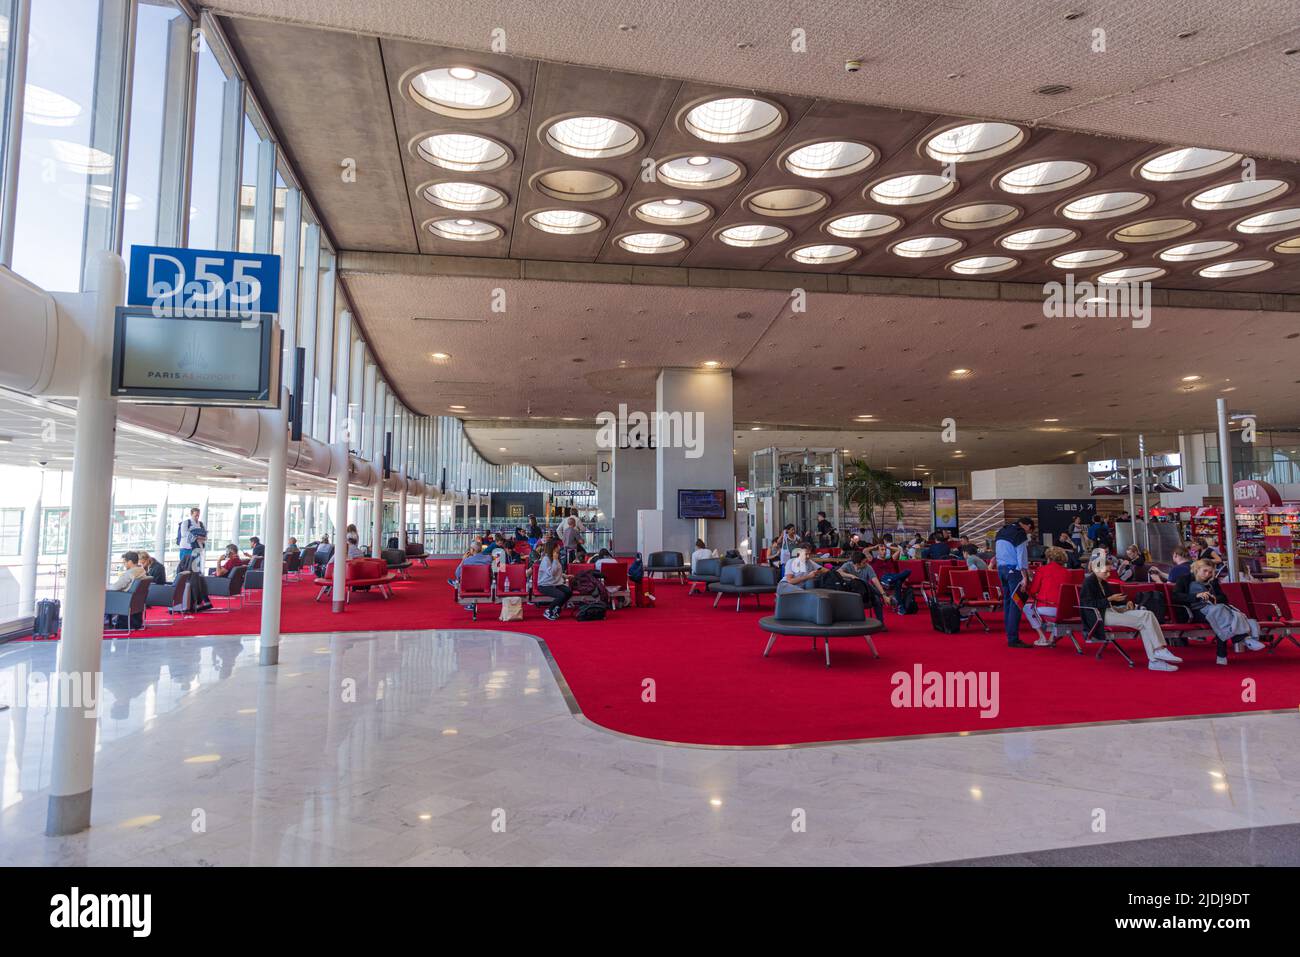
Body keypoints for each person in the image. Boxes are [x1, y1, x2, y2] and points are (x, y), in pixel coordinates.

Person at [1080, 549, 1180, 672]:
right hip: (1100, 615)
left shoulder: (1102, 582)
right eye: (1106, 572)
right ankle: (1158, 653)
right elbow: (1087, 604)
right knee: (1144, 619)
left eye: (1109, 571)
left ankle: (1157, 657)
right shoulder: (1089, 582)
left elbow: (1114, 600)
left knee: (1148, 614)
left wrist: (1125, 602)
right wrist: (1109, 599)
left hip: (1109, 611)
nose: (1108, 574)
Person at [1176, 560, 1265, 665]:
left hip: (1214, 610)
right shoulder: (1184, 579)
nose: (1207, 574)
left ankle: (1223, 654)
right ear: (1197, 569)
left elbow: (1223, 598)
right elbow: (1176, 596)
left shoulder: (1212, 581)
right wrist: (1196, 596)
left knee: (1221, 615)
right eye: (1205, 571)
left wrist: (1213, 597)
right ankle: (1242, 639)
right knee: (1221, 614)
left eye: (1210, 572)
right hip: (1194, 612)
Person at [994, 516, 1036, 648]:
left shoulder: (1002, 531)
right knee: (1017, 604)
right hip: (1014, 572)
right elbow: (1021, 556)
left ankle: (1009, 633)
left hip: (1002, 570)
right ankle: (1013, 638)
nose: (1029, 533)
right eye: (1030, 530)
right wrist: (1025, 576)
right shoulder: (1020, 533)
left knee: (1007, 602)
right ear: (1027, 525)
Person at [1024, 547, 1073, 645]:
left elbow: (1033, 591)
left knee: (1027, 608)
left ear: (1049, 558)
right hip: (1064, 610)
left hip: (1045, 606)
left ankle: (1042, 637)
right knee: (1057, 614)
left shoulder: (1042, 570)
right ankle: (1051, 637)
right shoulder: (1068, 573)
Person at [536, 540, 572, 621]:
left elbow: (557, 571)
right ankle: (549, 610)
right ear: (554, 548)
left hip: (554, 583)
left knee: (568, 591)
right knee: (561, 595)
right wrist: (555, 560)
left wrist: (565, 576)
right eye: (558, 546)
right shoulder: (546, 559)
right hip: (545, 585)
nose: (559, 547)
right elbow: (552, 573)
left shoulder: (554, 557)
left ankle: (557, 607)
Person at [176, 507, 205, 576]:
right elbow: (184, 534)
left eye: (198, 515)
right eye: (196, 515)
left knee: (195, 568)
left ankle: (194, 583)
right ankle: (183, 582)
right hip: (186, 548)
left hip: (196, 549)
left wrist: (199, 537)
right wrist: (197, 536)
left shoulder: (200, 524)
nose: (197, 517)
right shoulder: (186, 523)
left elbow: (204, 536)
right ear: (191, 514)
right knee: (184, 567)